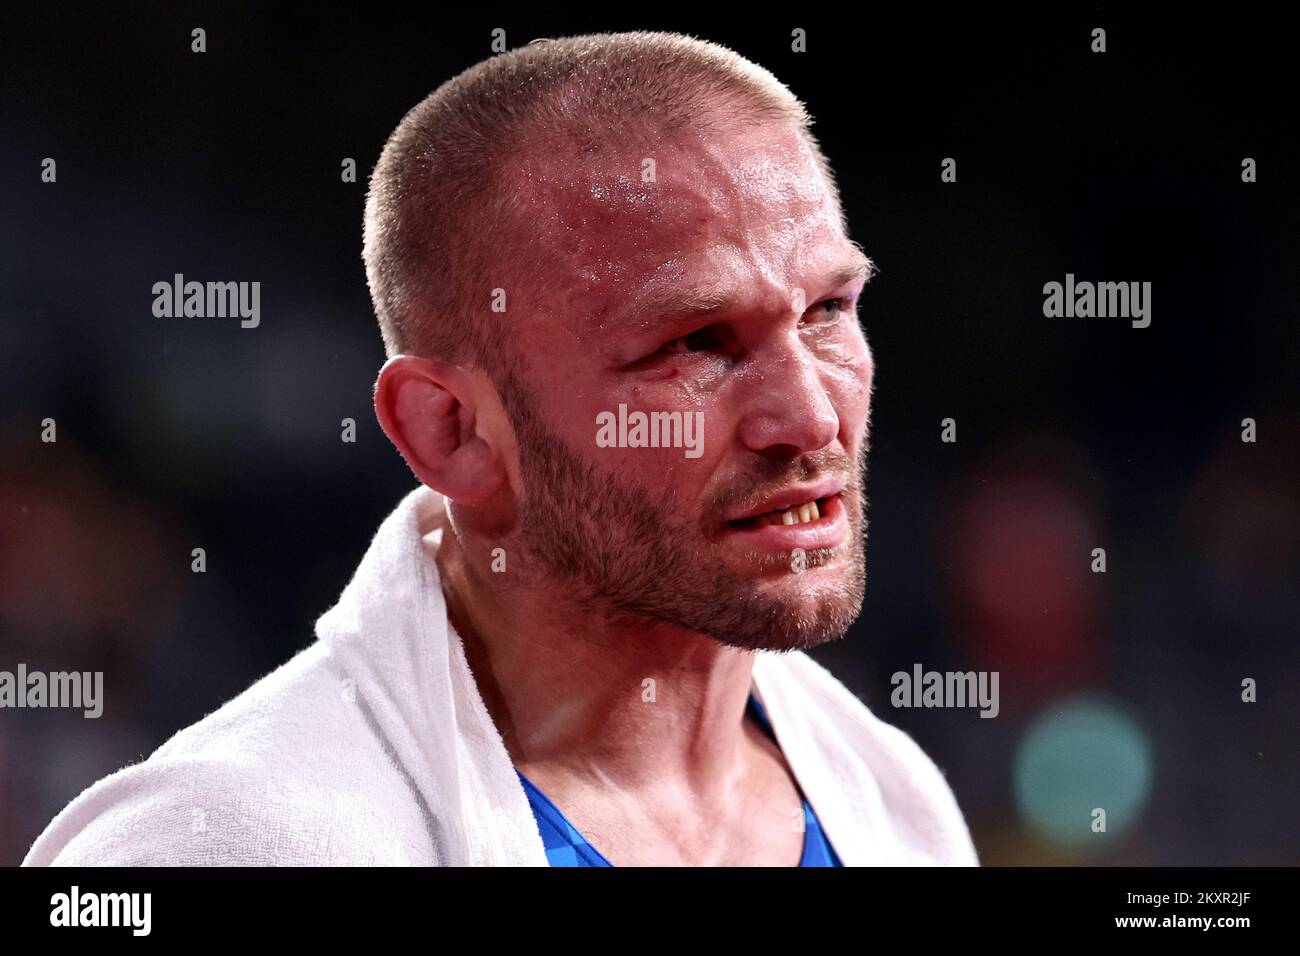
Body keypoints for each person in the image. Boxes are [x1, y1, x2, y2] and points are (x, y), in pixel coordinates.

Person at [25, 31, 978, 867]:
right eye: (694, 344)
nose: (811, 420)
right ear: (453, 432)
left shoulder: (898, 806)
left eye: (827, 311)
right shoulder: (224, 841)